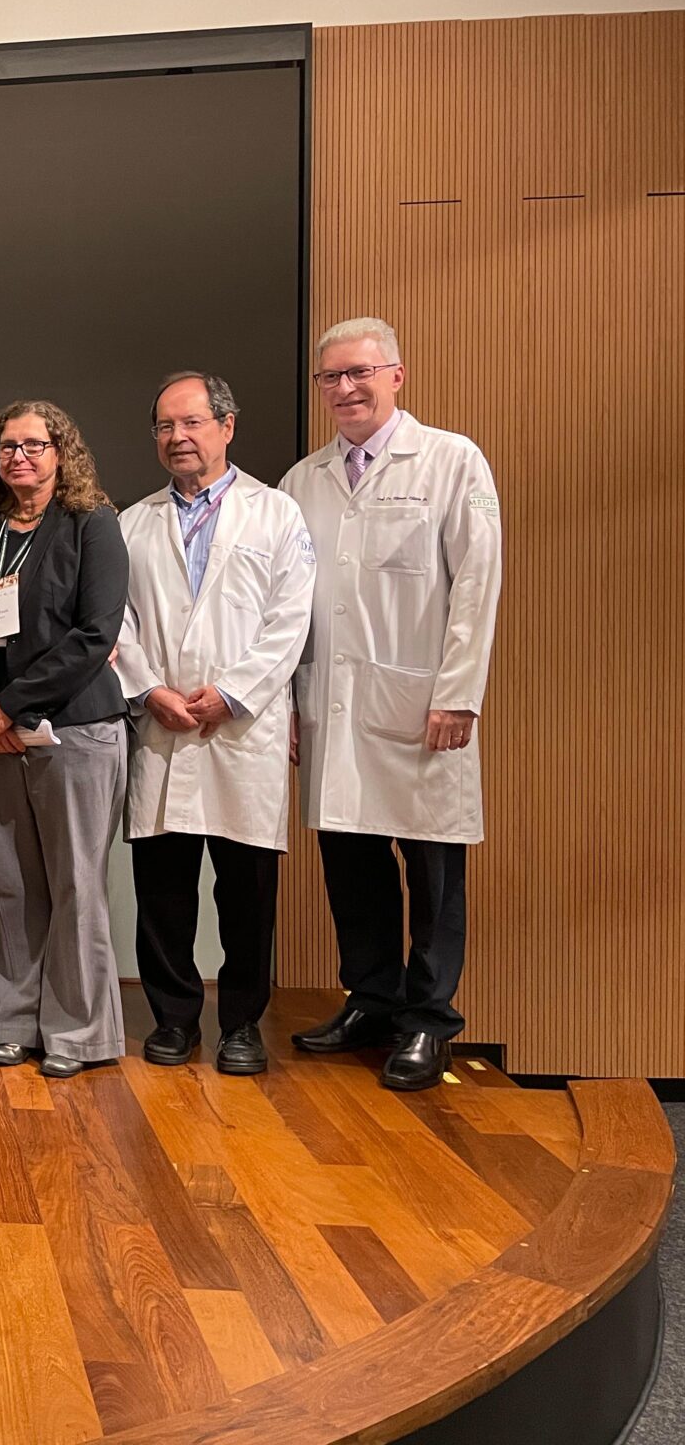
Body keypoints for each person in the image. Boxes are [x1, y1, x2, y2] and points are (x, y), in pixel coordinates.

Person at [280, 317, 503, 1090]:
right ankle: (371, 999)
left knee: (433, 871)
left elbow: (476, 586)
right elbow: (287, 603)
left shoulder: (449, 461)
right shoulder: (303, 480)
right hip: (330, 704)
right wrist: (286, 704)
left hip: (421, 707)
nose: (346, 389)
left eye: (360, 373)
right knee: (352, 863)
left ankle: (429, 1020)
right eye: (331, 378)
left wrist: (458, 696)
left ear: (396, 375)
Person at [114, 373, 315, 1075]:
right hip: (164, 724)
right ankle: (173, 1019)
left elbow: (291, 619)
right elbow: (117, 625)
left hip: (242, 729)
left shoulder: (277, 514)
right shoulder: (130, 524)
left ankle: (241, 1024)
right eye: (166, 427)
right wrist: (149, 691)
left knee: (246, 890)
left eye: (193, 423)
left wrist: (230, 693)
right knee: (163, 888)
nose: (179, 438)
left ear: (227, 426)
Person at [0, 400, 129, 1079]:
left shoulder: (92, 524)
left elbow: (95, 634)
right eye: (9, 446)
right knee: (12, 888)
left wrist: (11, 706)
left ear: (61, 450)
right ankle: (16, 1024)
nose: (19, 457)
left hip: (73, 729)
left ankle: (77, 1034)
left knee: (76, 885)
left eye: (34, 445)